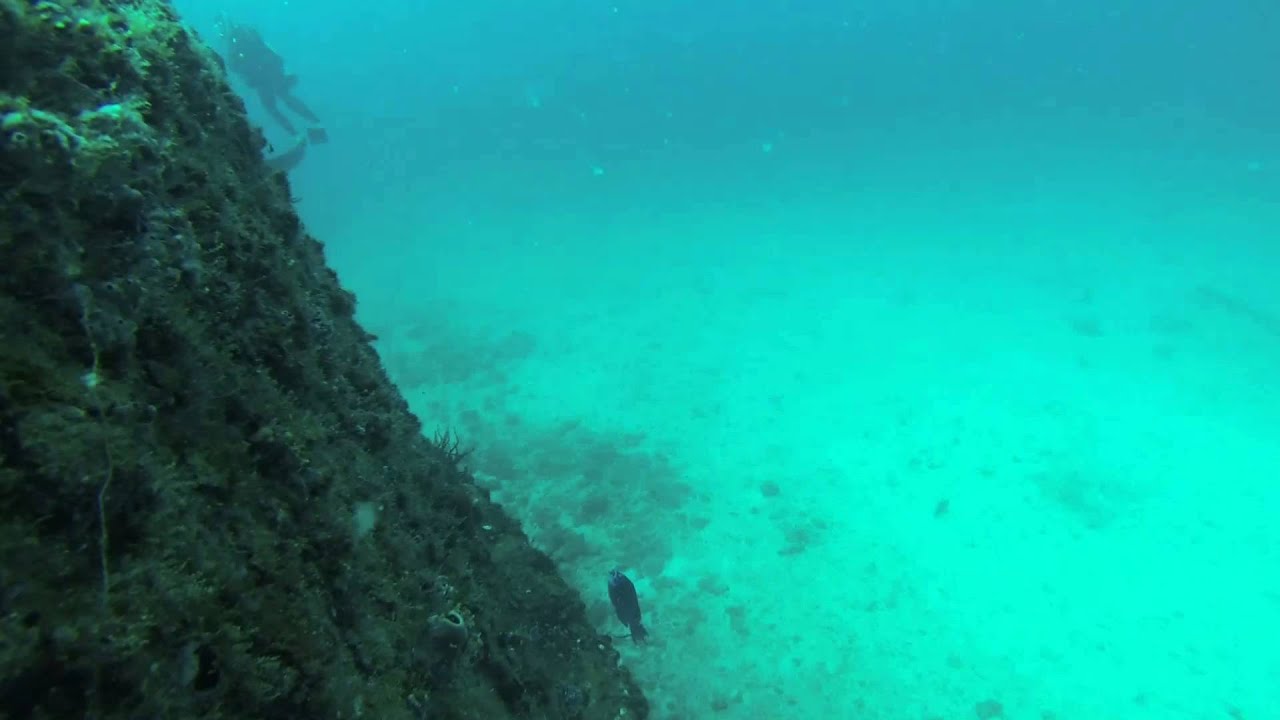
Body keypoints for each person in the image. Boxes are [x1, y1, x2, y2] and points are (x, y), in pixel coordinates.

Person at [215, 14, 327, 140]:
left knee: (282, 97)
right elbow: (236, 64)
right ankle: (299, 133)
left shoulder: (240, 33)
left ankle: (311, 125)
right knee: (272, 105)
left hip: (268, 70)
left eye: (220, 26)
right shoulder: (233, 39)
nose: (220, 30)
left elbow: (249, 53)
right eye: (218, 27)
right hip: (261, 76)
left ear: (226, 23)